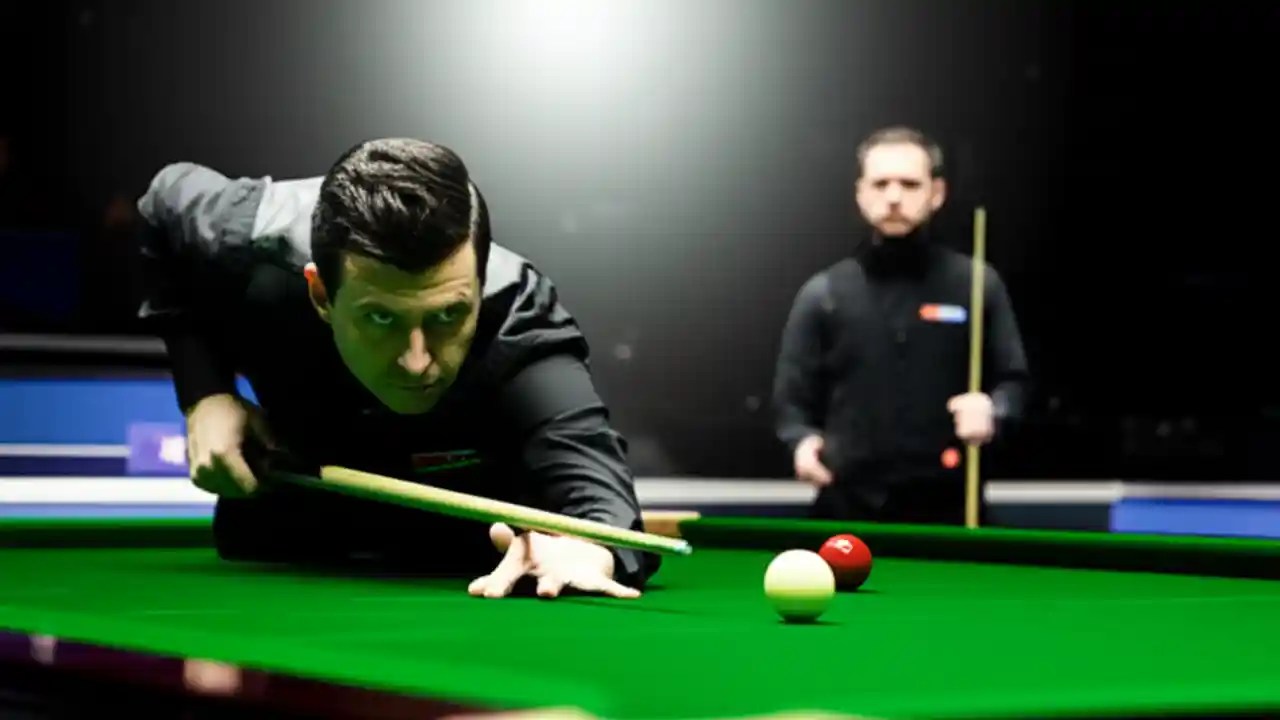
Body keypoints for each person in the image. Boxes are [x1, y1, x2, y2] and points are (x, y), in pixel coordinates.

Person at [134, 137, 657, 598]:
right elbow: (165, 201)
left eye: (450, 315)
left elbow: (601, 502)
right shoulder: (253, 239)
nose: (417, 360)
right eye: (380, 317)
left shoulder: (518, 322)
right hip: (287, 551)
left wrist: (590, 551)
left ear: (477, 286)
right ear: (320, 293)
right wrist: (204, 392)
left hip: (461, 568)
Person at [772, 126, 1030, 524]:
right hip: (847, 511)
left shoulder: (977, 284)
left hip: (952, 511)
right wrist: (801, 443)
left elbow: (1014, 383)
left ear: (937, 193)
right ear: (861, 193)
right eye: (881, 183)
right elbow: (791, 406)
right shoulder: (823, 292)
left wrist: (994, 411)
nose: (894, 196)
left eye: (910, 184)